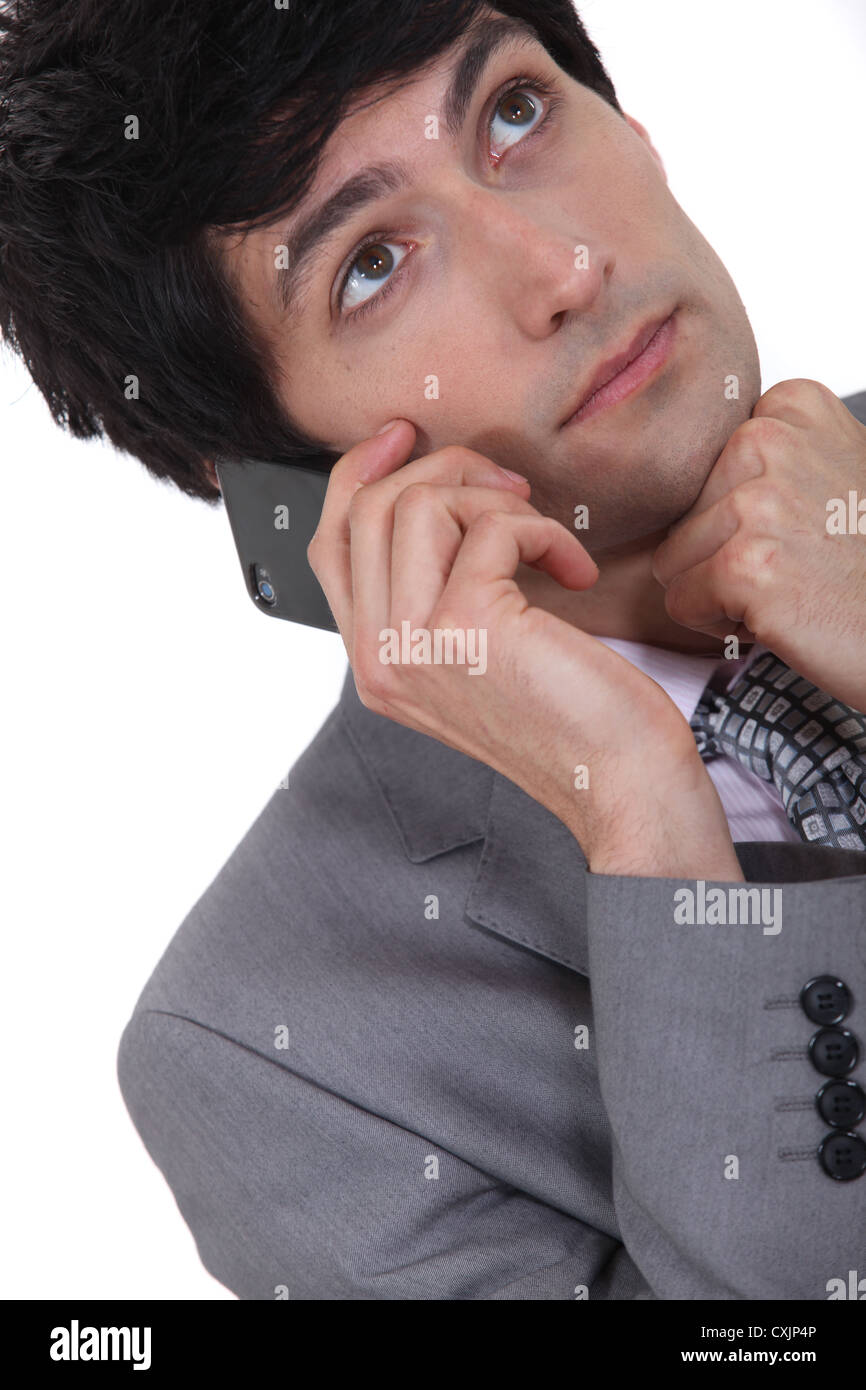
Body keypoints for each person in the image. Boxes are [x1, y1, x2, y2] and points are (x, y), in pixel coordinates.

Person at [2, 0, 864, 1300]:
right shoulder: (267, 1053)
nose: (560, 264)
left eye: (512, 112)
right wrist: (640, 815)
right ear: (287, 483)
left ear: (625, 120)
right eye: (370, 263)